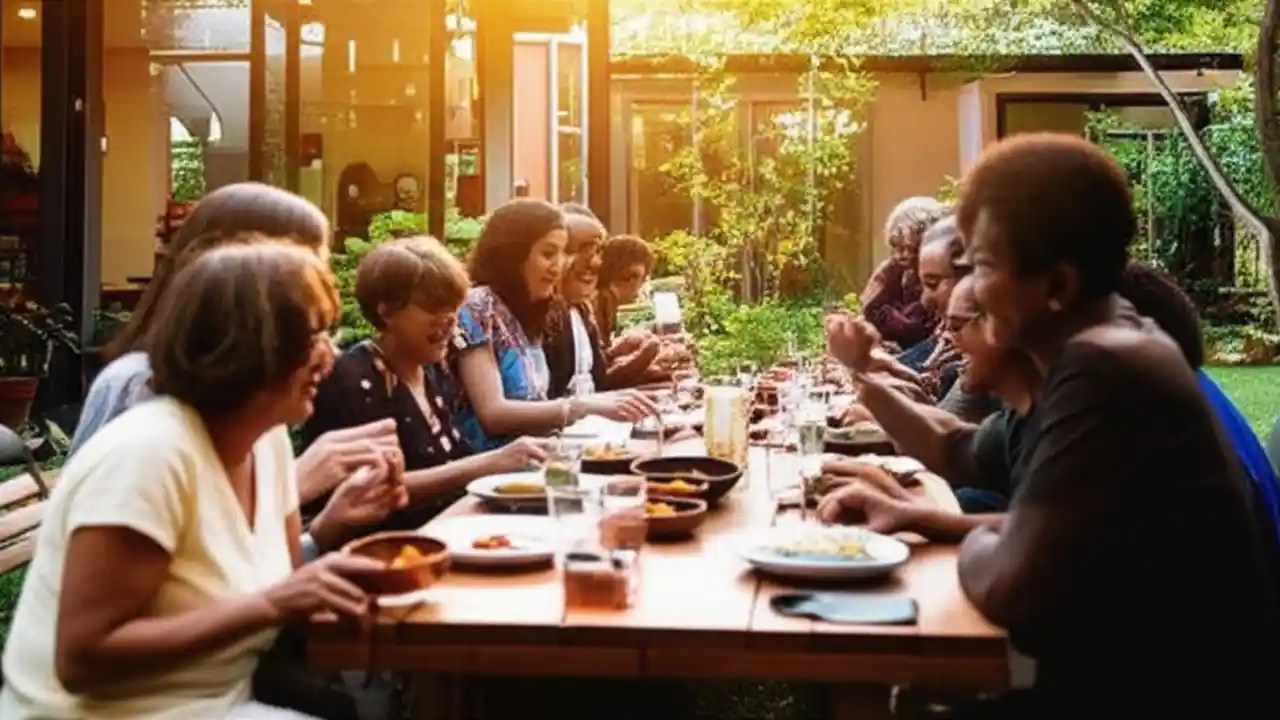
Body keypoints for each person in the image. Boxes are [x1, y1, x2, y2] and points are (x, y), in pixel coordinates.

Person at [930, 133, 1277, 714]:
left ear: (1058, 285)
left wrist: (986, 541)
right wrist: (999, 537)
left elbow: (1009, 588)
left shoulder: (1101, 366)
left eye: (984, 265)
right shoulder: (1120, 343)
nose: (972, 291)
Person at [0, 243, 386, 720]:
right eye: (312, 336)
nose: (330, 355)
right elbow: (82, 659)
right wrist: (273, 603)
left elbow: (283, 594)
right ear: (247, 346)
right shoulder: (148, 454)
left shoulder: (267, 442)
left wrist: (344, 543)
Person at [69, 182, 400, 514]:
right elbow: (128, 545)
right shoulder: (140, 390)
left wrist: (327, 529)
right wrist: (294, 484)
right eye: (303, 272)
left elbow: (242, 559)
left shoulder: (254, 404)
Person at [303, 237, 548, 528]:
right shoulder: (352, 378)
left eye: (453, 309)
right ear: (387, 311)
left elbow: (455, 460)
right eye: (434, 309)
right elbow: (371, 489)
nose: (449, 323)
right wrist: (489, 462)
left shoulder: (433, 373)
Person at [824, 276, 1040, 528]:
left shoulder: (1063, 415)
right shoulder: (1018, 419)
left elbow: (1034, 537)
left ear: (1005, 325)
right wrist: (859, 372)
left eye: (957, 326)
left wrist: (898, 500)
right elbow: (950, 445)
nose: (947, 340)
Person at [451, 199, 655, 451]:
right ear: (513, 254)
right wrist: (587, 406)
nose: (558, 266)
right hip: (492, 476)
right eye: (549, 254)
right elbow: (493, 413)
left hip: (542, 459)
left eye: (562, 253)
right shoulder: (478, 306)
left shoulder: (530, 313)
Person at [860, 196, 947, 350]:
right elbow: (871, 309)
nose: (904, 255)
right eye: (897, 247)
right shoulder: (890, 272)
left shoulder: (944, 272)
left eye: (912, 248)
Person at [545, 212, 611, 398]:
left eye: (598, 251)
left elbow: (600, 380)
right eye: (584, 250)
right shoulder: (542, 318)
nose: (595, 262)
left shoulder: (582, 310)